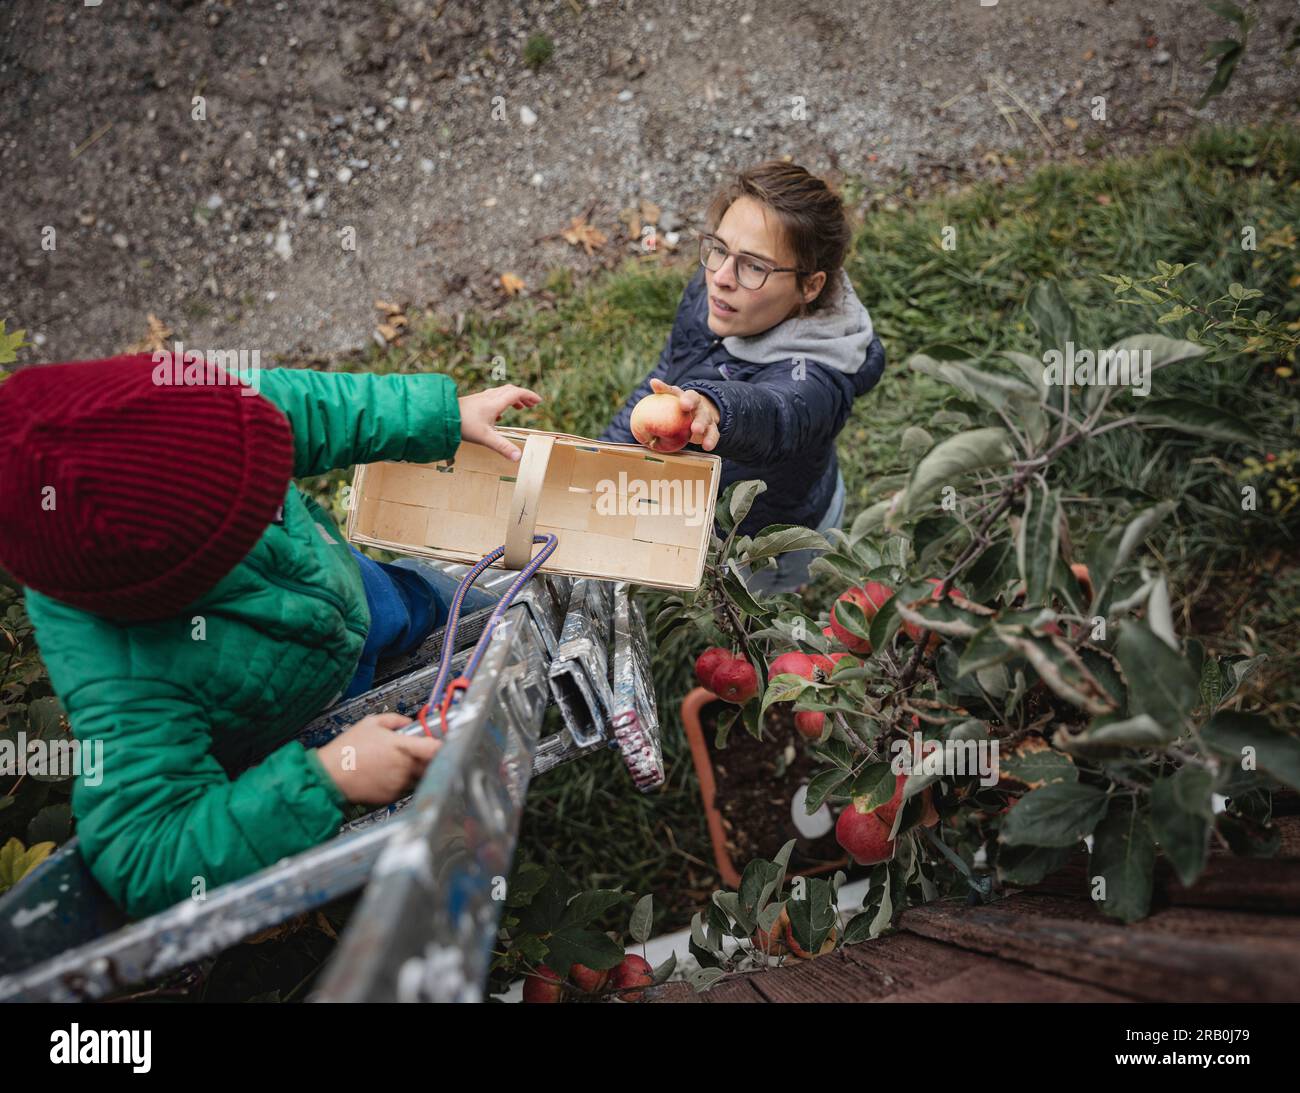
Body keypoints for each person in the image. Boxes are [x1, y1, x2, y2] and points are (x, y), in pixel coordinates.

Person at [0, 354, 540, 918]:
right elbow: (143, 853)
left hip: (346, 586)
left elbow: (296, 407)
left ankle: (498, 646)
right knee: (400, 749)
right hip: (293, 698)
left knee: (446, 604)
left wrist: (439, 416)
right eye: (248, 516)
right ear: (177, 590)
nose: (273, 501)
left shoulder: (181, 409)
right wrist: (328, 777)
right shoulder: (125, 670)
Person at [602, 160, 885, 593]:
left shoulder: (817, 376)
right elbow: (672, 370)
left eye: (755, 266)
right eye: (718, 248)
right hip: (722, 493)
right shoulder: (721, 296)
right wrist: (606, 455)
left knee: (750, 602)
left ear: (810, 286)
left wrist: (717, 408)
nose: (721, 278)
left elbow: (779, 412)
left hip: (770, 539)